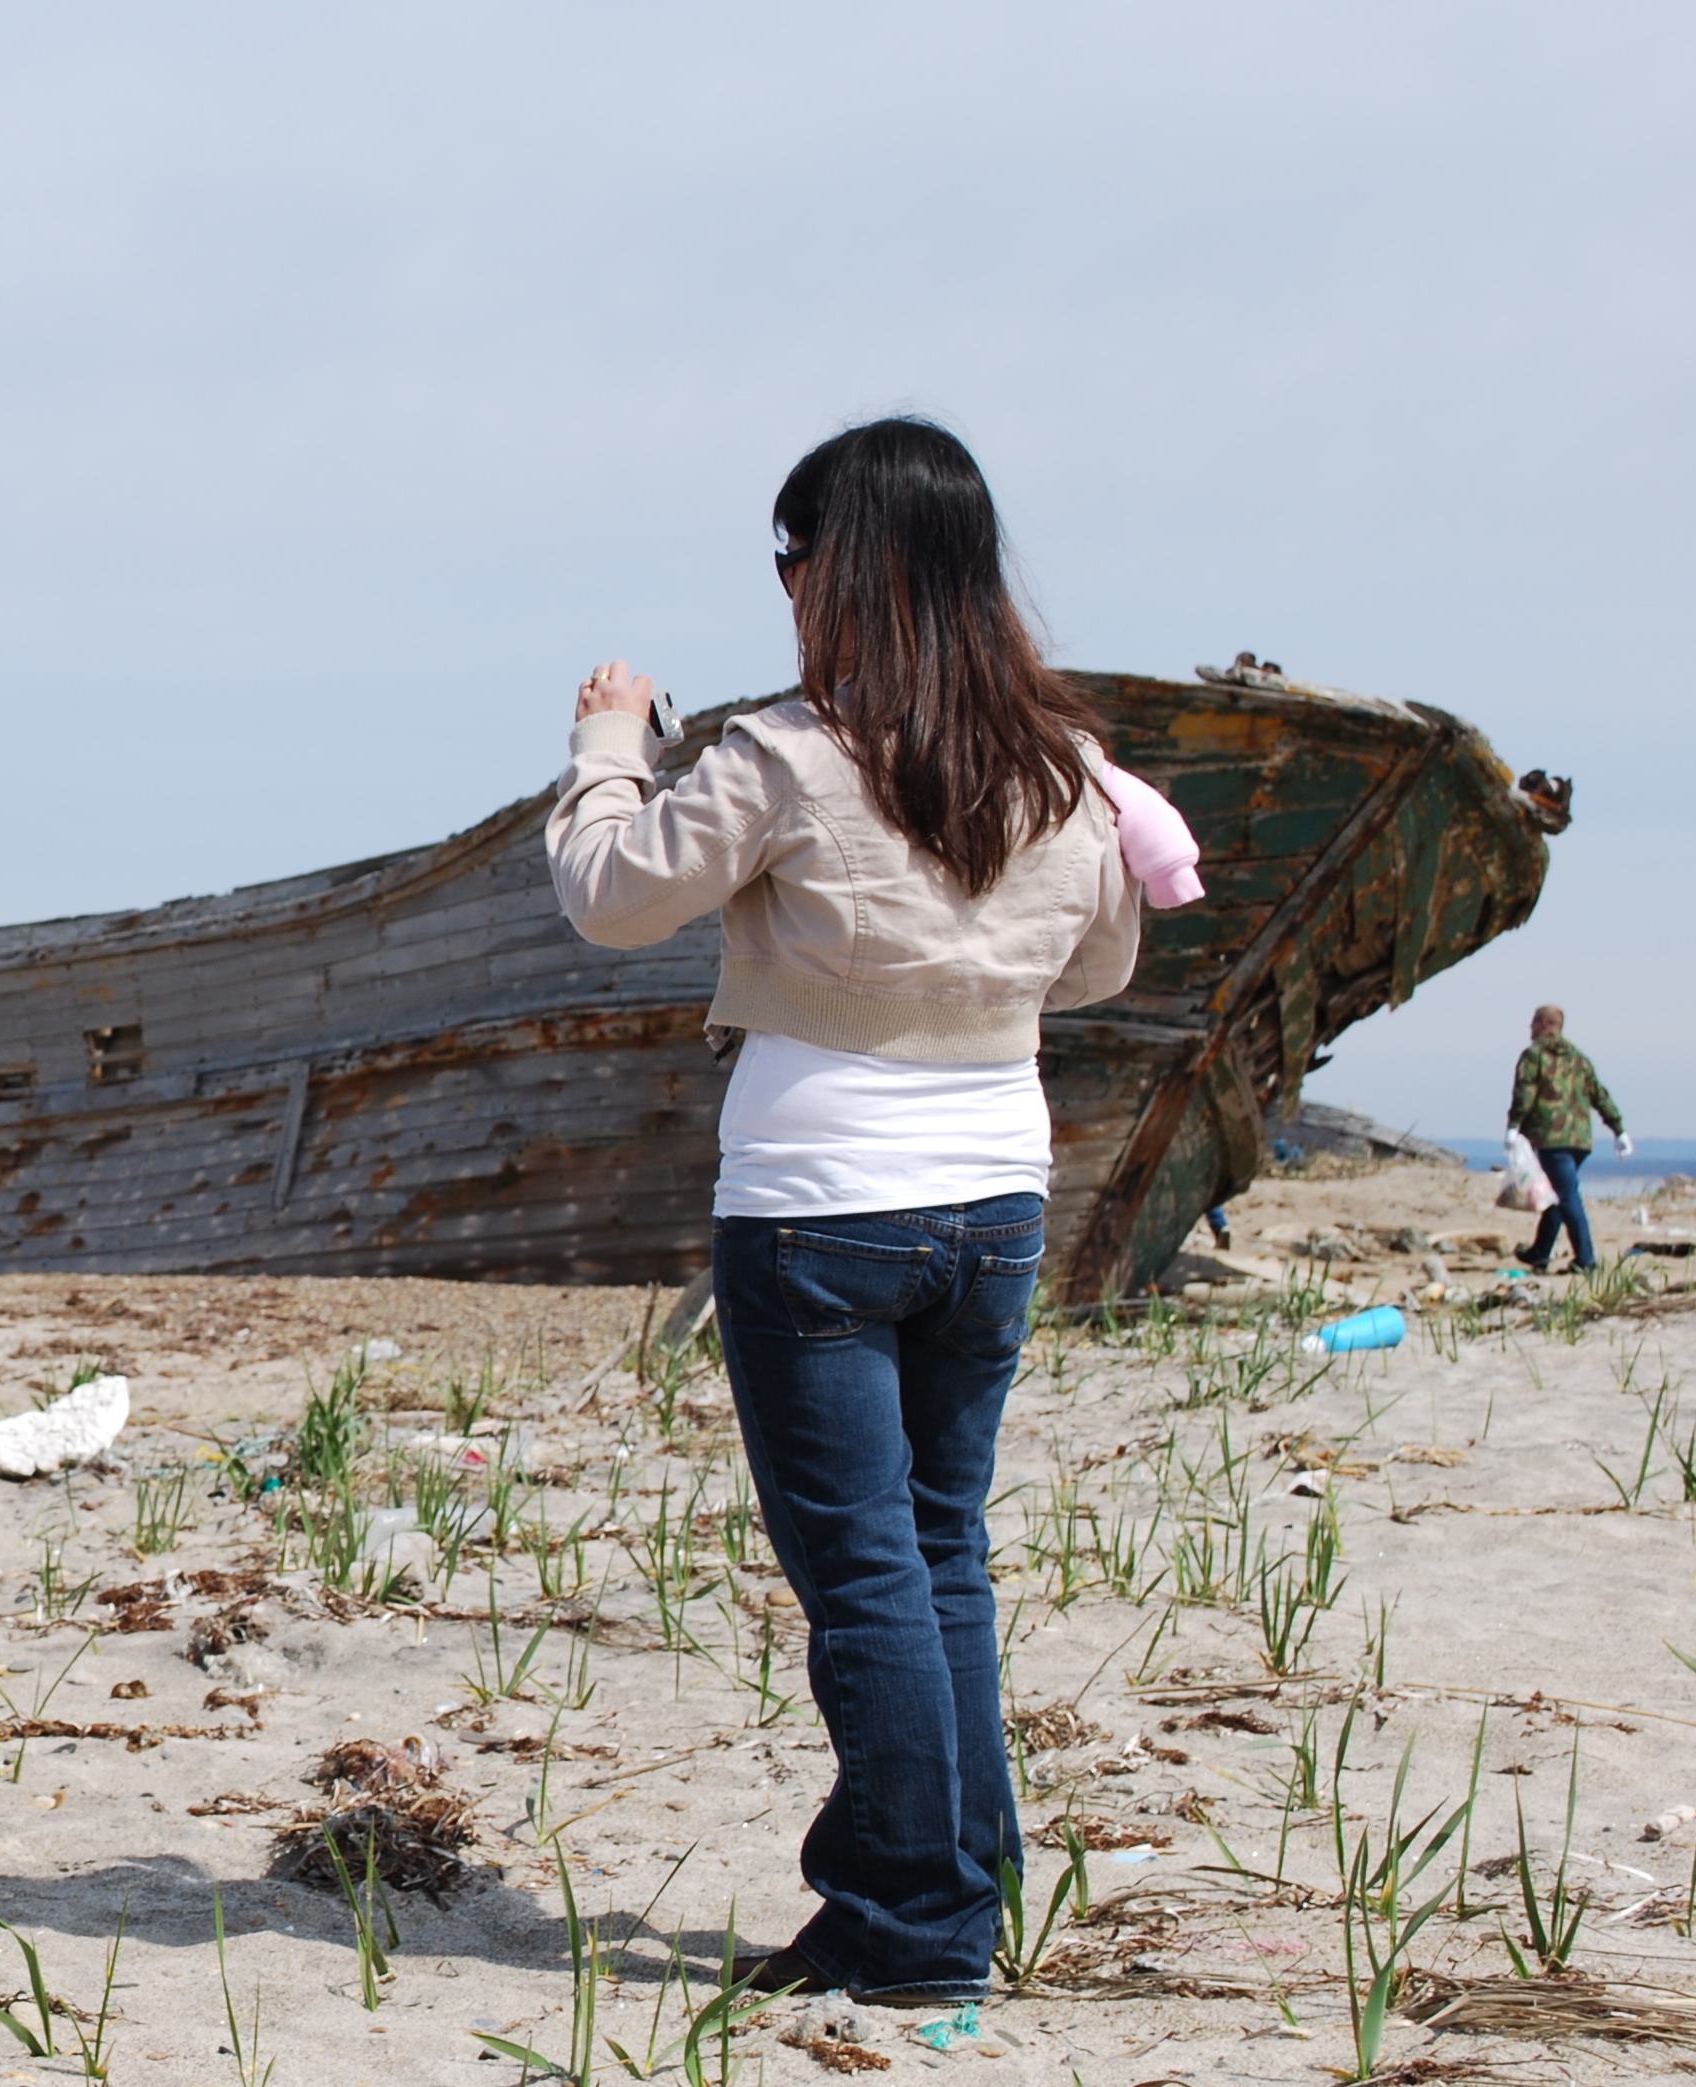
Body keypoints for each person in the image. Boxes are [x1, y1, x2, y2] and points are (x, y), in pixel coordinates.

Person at [547, 418, 1146, 2002]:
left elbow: (611, 897)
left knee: (864, 1570)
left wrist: (611, 740)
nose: (784, 585)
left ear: (838, 569)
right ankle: (963, 1882)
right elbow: (1096, 966)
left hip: (818, 1203)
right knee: (939, 1548)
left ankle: (911, 1923)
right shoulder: (1062, 764)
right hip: (994, 1196)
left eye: (790, 556)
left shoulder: (786, 753)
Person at [1510, 1004, 1630, 1274]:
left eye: (1533, 1023)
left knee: (1566, 1196)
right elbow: (1599, 1095)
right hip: (1581, 1139)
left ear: (1543, 1024)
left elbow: (1525, 1093)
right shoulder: (1578, 1058)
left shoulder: (1534, 1055)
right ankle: (1540, 1251)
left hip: (1552, 1138)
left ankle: (1586, 1259)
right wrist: (1618, 1129)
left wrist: (1513, 1126)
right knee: (1557, 1192)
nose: (1530, 1029)